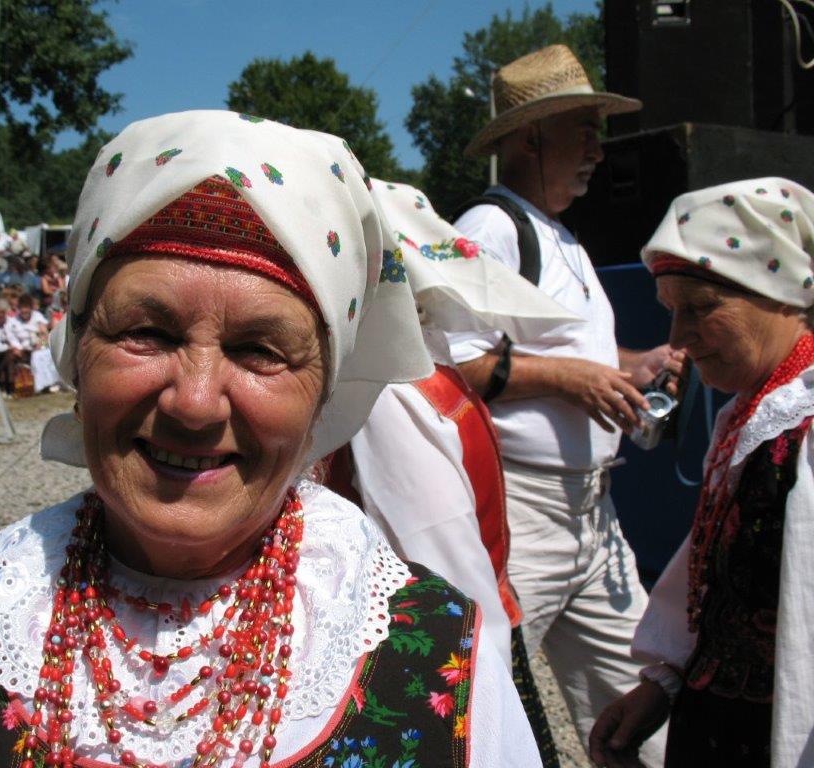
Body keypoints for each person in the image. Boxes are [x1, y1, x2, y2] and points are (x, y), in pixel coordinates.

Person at [0, 110, 541, 768]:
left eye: (261, 349)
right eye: (147, 332)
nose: (196, 402)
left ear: (326, 390)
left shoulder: (440, 654)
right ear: (78, 353)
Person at [449, 44, 679, 762]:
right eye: (583, 130)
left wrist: (639, 366)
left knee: (639, 711)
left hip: (592, 517)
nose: (596, 151)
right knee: (481, 705)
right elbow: (455, 363)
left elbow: (571, 356)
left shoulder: (565, 240)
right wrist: (574, 381)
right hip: (526, 515)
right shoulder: (492, 228)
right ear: (532, 136)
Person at [337, 178, 593, 767]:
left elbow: (445, 562)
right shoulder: (421, 370)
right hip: (476, 624)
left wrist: (485, 687)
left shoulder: (392, 386)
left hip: (453, 644)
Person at [589, 179, 814, 768]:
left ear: (780, 292)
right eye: (670, 311)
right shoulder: (750, 416)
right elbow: (713, 573)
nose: (676, 339)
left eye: (699, 309)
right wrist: (661, 683)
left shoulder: (804, 426)